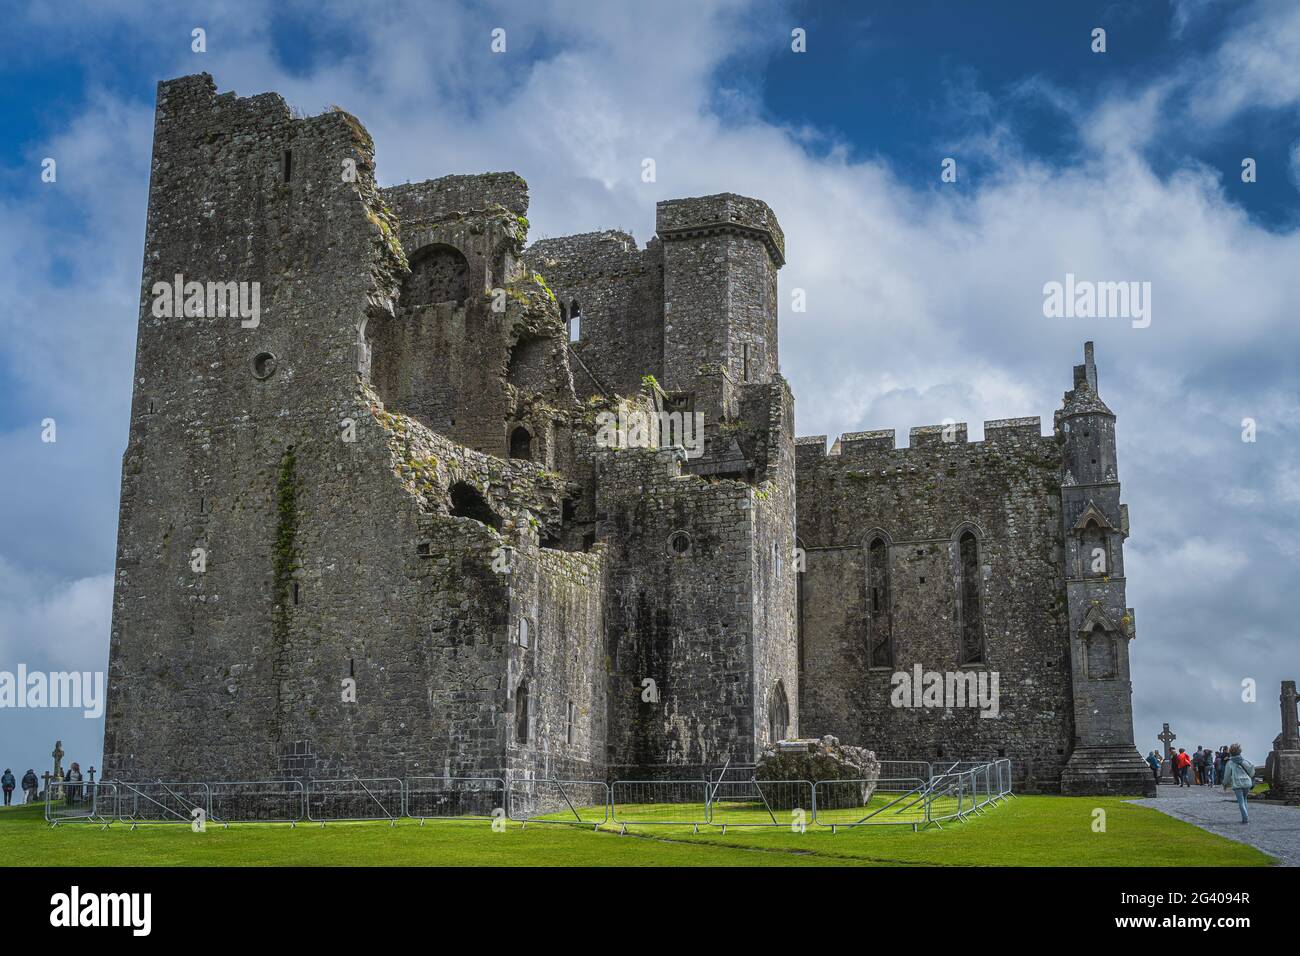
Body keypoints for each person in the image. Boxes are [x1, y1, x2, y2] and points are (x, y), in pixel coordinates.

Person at [1222, 743, 1256, 824]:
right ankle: (1246, 817)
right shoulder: (1244, 761)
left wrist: (1225, 784)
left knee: (1241, 801)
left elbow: (1226, 776)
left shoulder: (1230, 763)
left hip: (1237, 783)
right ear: (1239, 752)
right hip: (1247, 783)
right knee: (1245, 800)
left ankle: (1245, 819)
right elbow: (1251, 772)